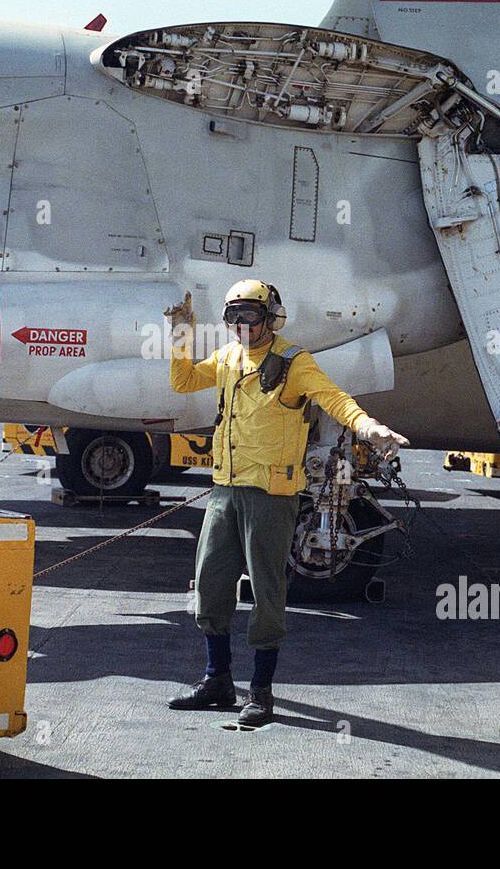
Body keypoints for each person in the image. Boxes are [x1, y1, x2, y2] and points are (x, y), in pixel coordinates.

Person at [164, 280, 408, 726]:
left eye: (250, 318)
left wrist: (371, 428)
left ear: (270, 317)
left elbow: (333, 398)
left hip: (272, 497)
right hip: (225, 490)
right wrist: (182, 329)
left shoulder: (294, 362)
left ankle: (260, 692)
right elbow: (182, 381)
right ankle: (217, 679)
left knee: (267, 594)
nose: (241, 327)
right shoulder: (228, 358)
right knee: (210, 587)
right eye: (233, 318)